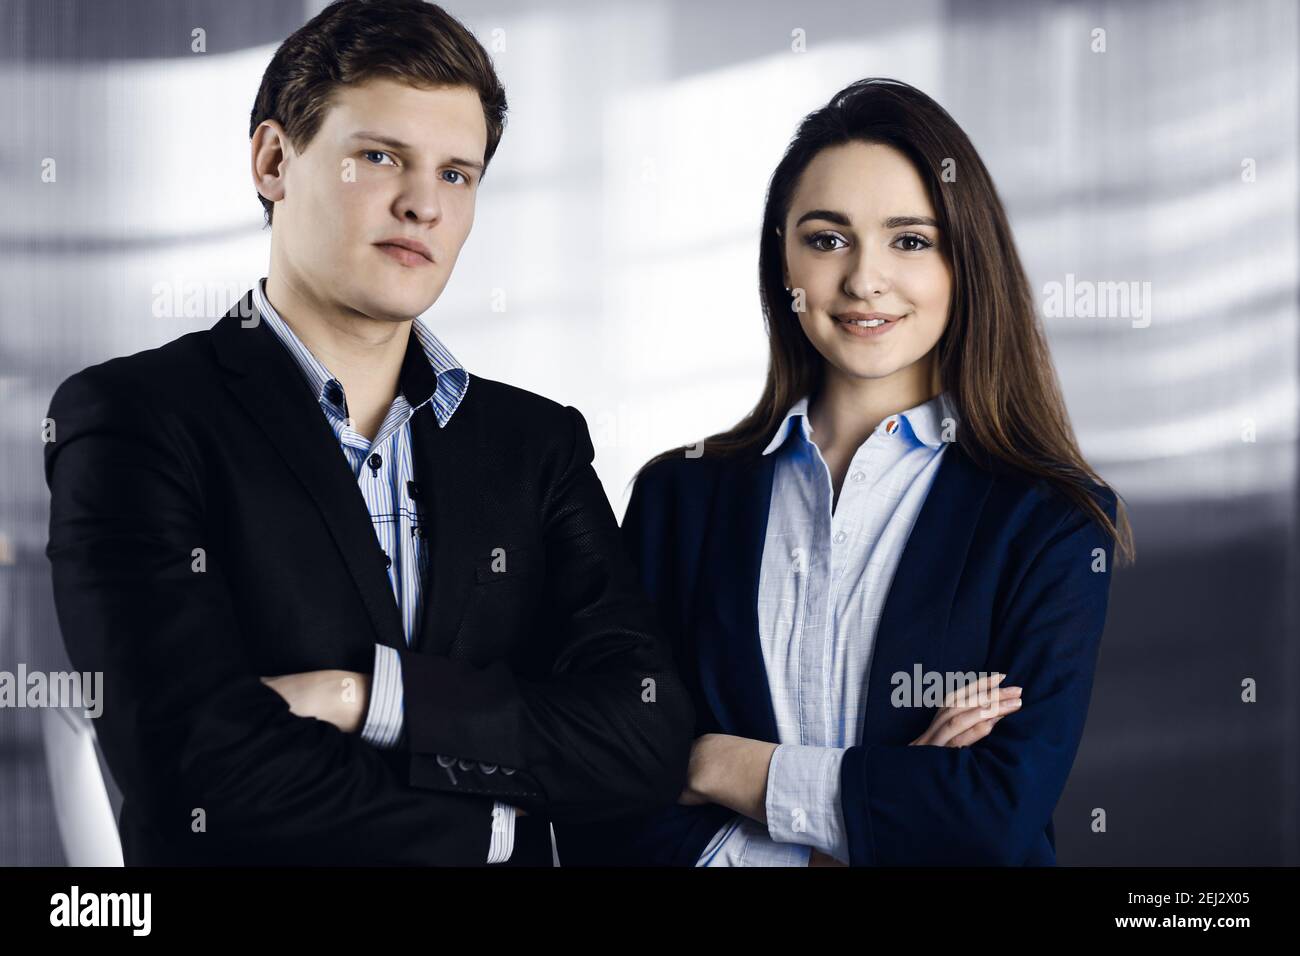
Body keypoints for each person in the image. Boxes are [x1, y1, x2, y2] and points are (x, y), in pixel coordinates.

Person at [42, 0, 693, 866]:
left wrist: (368, 697)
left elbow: (642, 734)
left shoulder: (536, 446)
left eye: (457, 174)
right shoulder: (134, 421)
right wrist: (505, 831)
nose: (423, 203)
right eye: (381, 156)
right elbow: (196, 764)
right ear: (275, 161)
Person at [554, 77, 1134, 867]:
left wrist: (728, 766)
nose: (864, 279)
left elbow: (992, 817)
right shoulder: (678, 499)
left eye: (911, 240)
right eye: (827, 239)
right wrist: (869, 819)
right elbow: (608, 795)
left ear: (966, 261)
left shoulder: (1050, 520)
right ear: (780, 263)